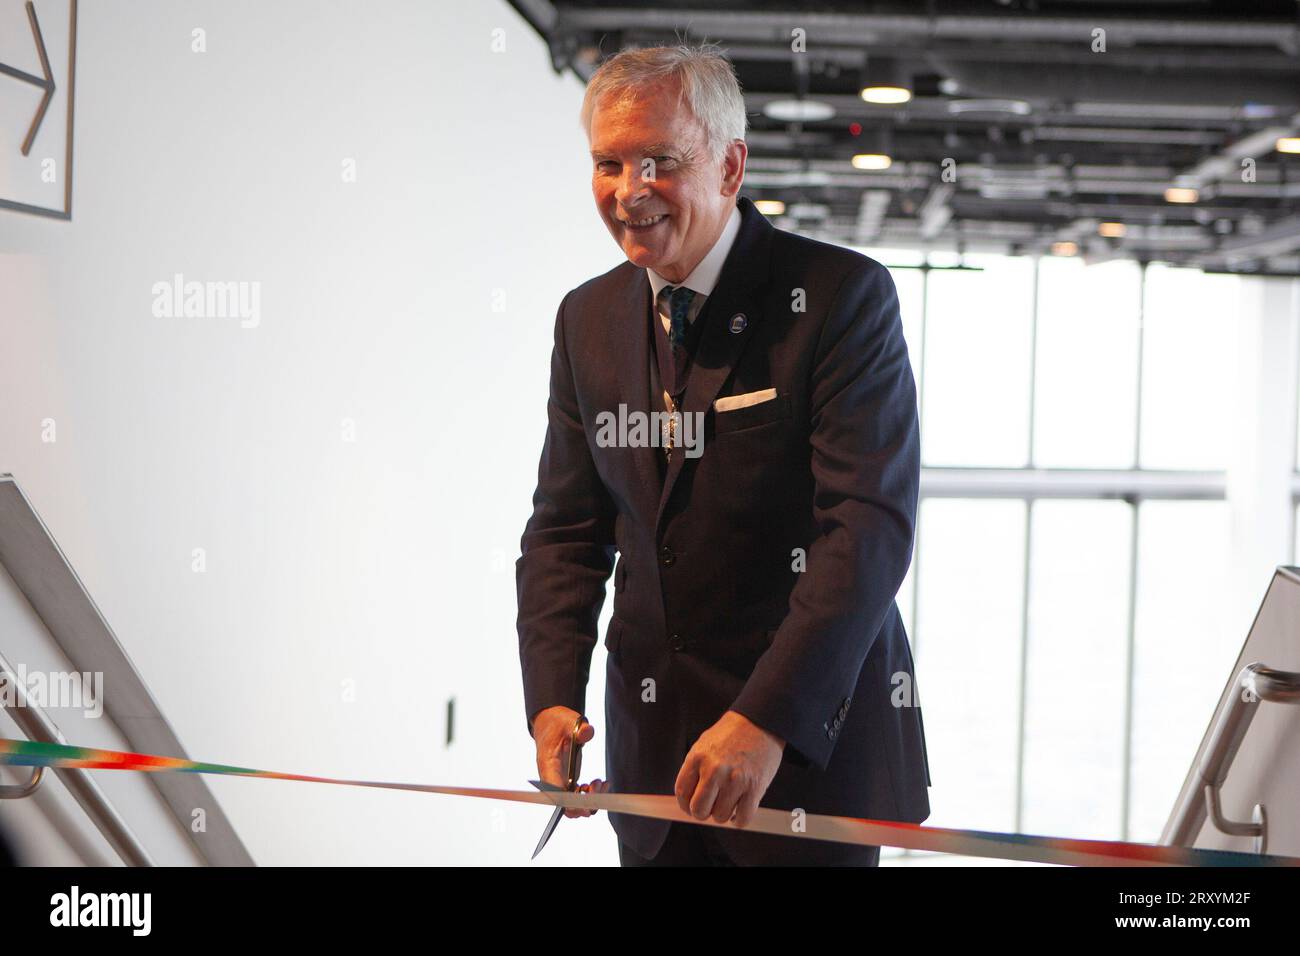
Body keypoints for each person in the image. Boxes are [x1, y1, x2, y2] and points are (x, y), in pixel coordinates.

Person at [516, 43, 930, 866]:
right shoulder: (586, 319)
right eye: (609, 163)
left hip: (806, 767)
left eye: (659, 161)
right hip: (653, 770)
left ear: (731, 165)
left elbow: (865, 533)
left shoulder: (840, 299)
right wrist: (552, 702)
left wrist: (767, 718)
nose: (630, 191)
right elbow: (565, 529)